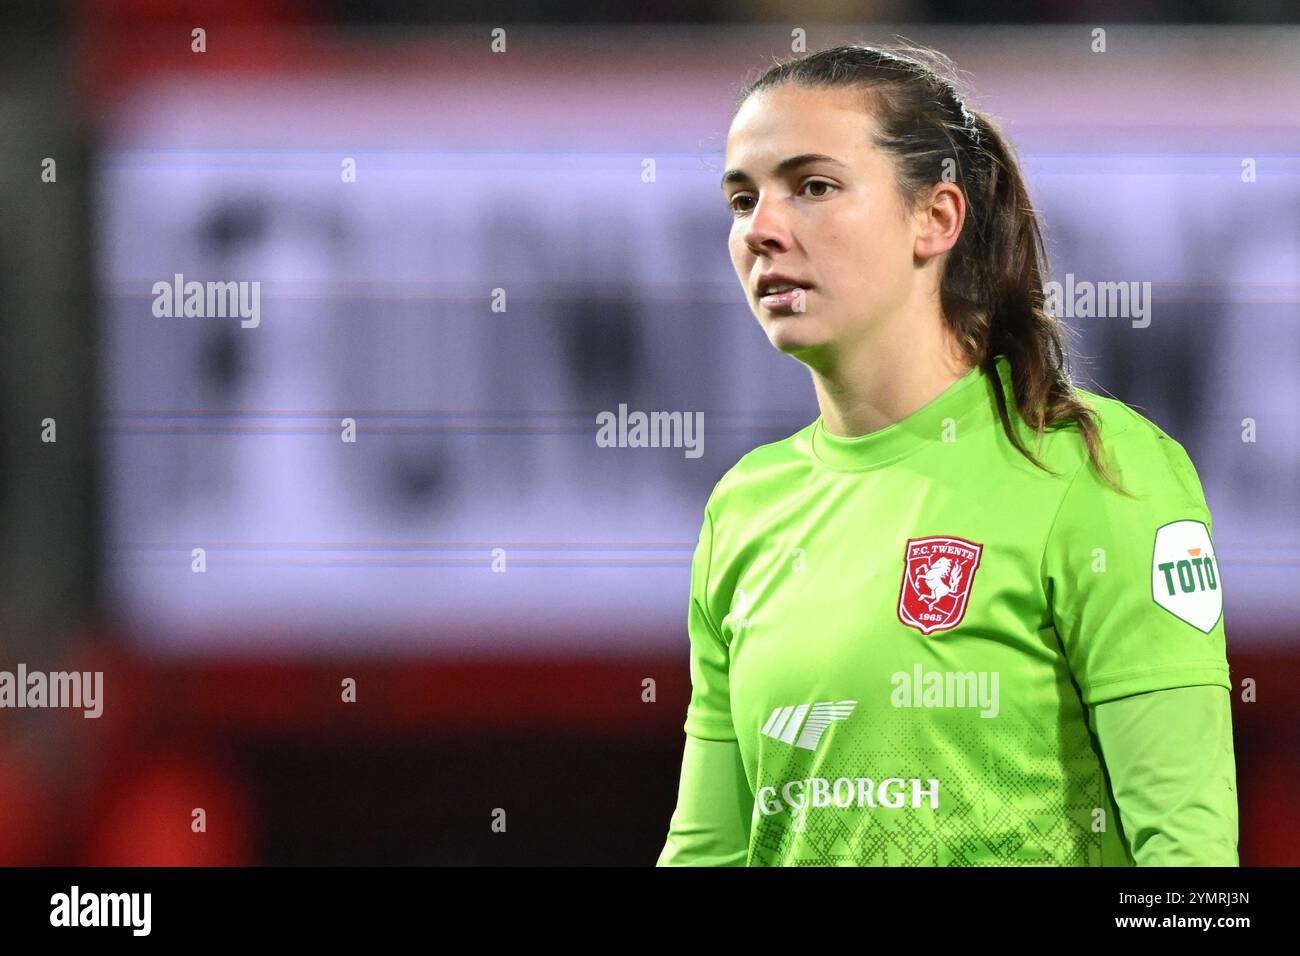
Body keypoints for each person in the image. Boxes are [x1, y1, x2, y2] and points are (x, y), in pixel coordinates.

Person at [657, 43, 1238, 866]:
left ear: (936, 218)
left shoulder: (1098, 472)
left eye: (813, 186)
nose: (762, 230)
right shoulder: (747, 506)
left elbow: (1193, 868)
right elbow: (707, 850)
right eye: (742, 199)